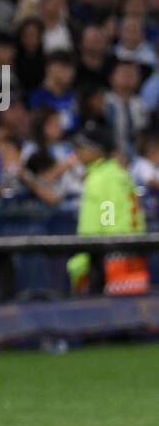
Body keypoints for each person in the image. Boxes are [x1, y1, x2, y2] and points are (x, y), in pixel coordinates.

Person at [66, 122, 149, 296]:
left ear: (96, 150)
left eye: (81, 147)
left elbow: (106, 221)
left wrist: (79, 265)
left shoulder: (102, 178)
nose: (77, 152)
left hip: (110, 263)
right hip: (132, 257)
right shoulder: (118, 173)